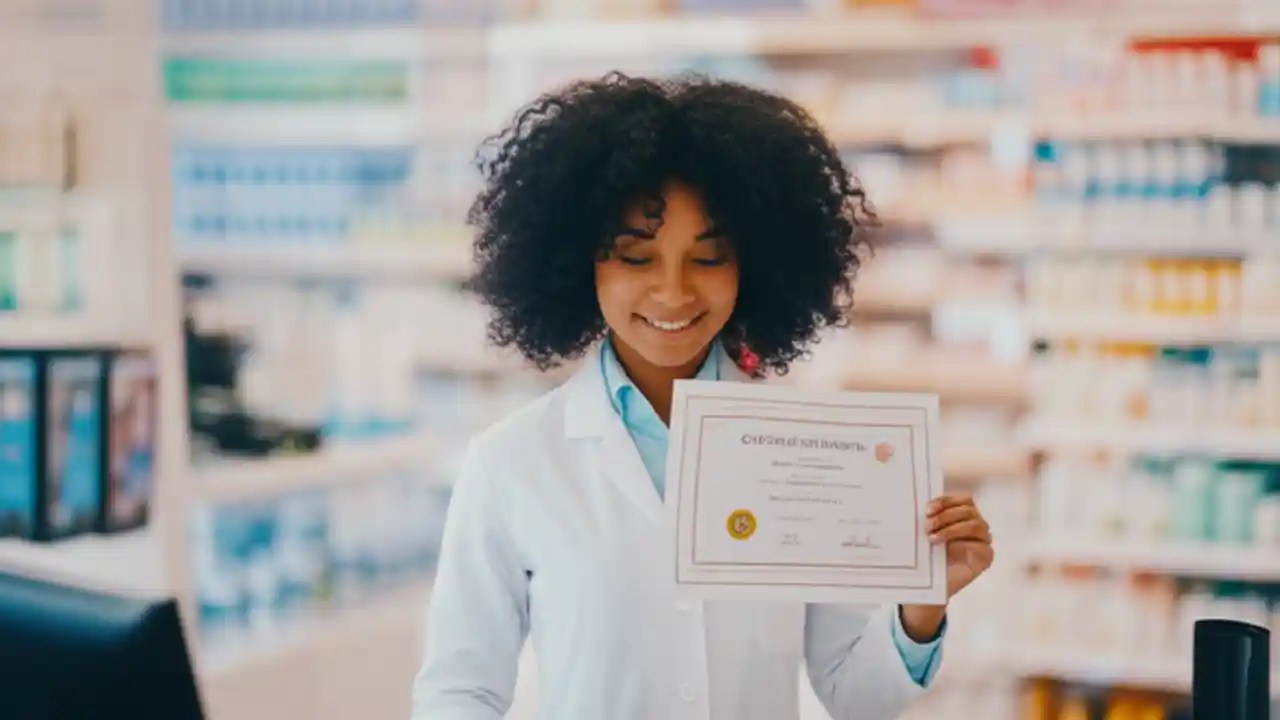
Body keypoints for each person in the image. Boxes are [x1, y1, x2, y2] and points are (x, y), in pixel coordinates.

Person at [412, 73, 995, 720]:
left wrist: (922, 605)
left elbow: (855, 691)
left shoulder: (807, 454)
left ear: (755, 264)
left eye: (709, 258)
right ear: (580, 261)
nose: (674, 292)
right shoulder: (511, 464)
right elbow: (459, 690)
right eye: (636, 258)